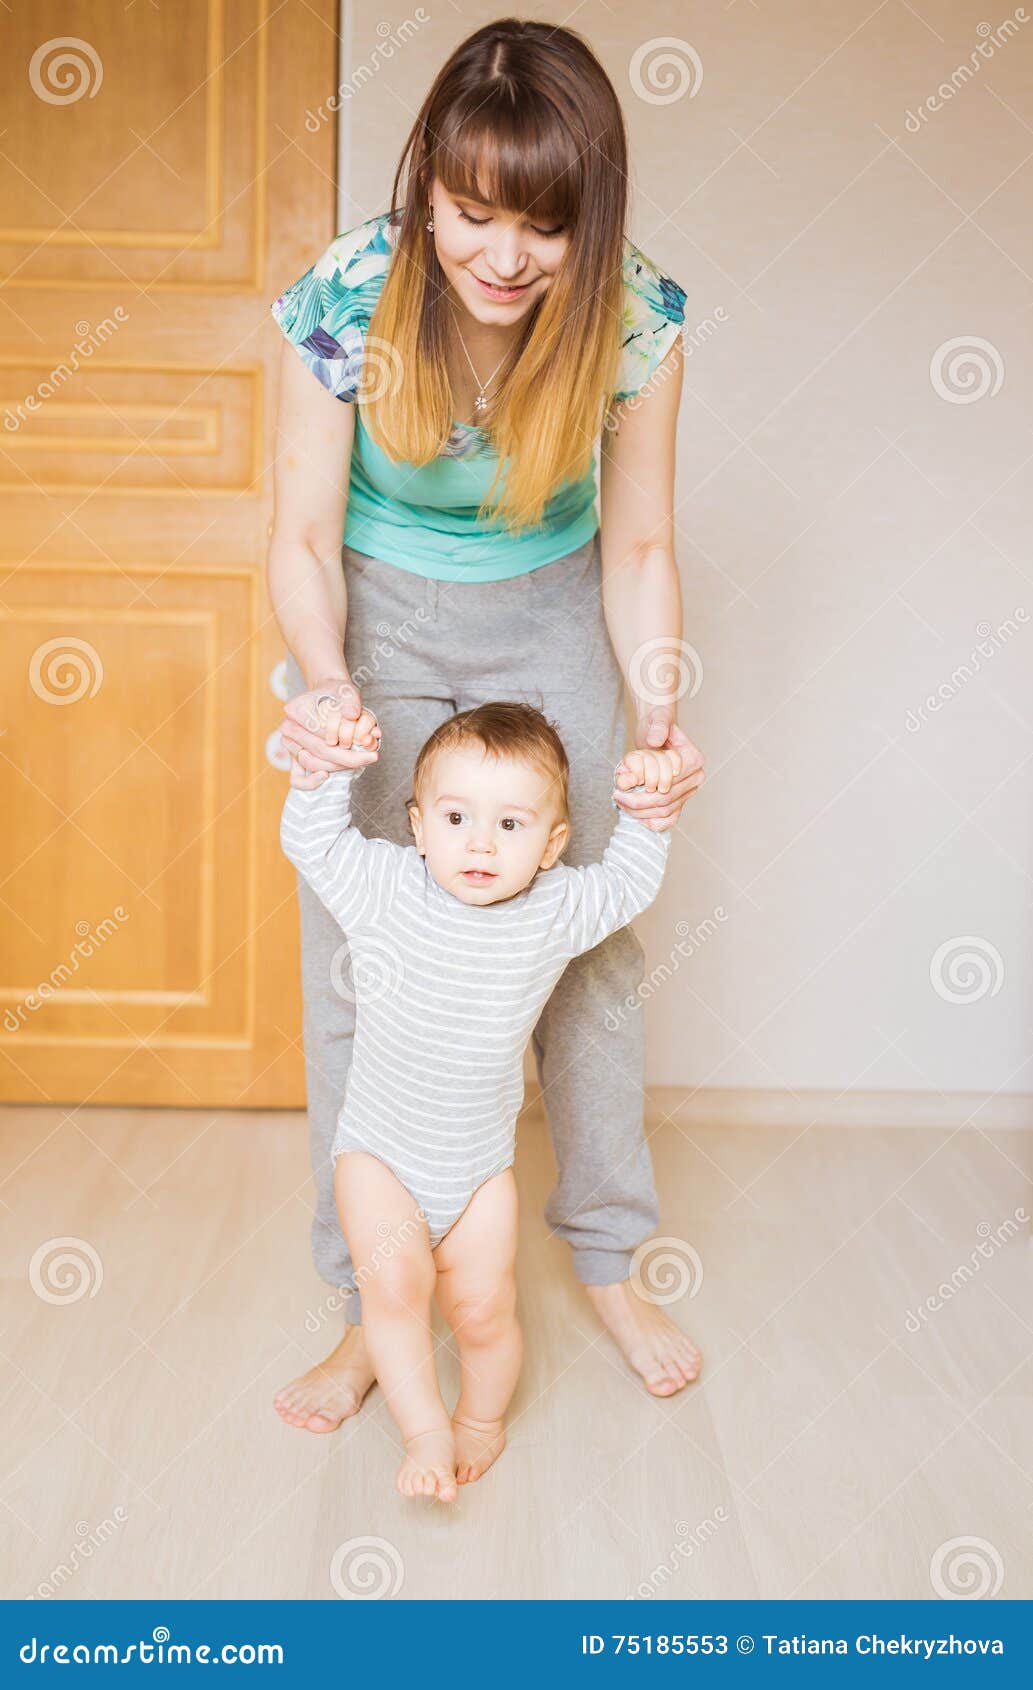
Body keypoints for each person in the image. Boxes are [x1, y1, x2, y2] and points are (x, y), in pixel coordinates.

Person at [267, 17, 706, 1433]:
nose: (505, 258)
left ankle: (606, 1259)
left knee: (586, 950)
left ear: (596, 216)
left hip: (547, 601)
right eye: (471, 217)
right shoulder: (345, 290)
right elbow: (295, 532)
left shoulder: (636, 312)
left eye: (543, 226)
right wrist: (328, 681)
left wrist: (656, 709)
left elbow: (639, 544)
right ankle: (365, 1302)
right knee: (360, 955)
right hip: (379, 614)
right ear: (426, 191)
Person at [279, 695, 680, 1497]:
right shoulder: (384, 889)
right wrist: (324, 772)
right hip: (380, 1155)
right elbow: (311, 842)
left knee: (485, 1313)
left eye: (510, 826)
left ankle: (479, 1423)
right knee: (392, 1296)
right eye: (457, 817)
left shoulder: (556, 909)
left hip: (477, 1174)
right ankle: (424, 1435)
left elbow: (631, 880)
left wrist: (647, 802)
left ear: (552, 843)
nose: (479, 844)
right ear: (418, 824)